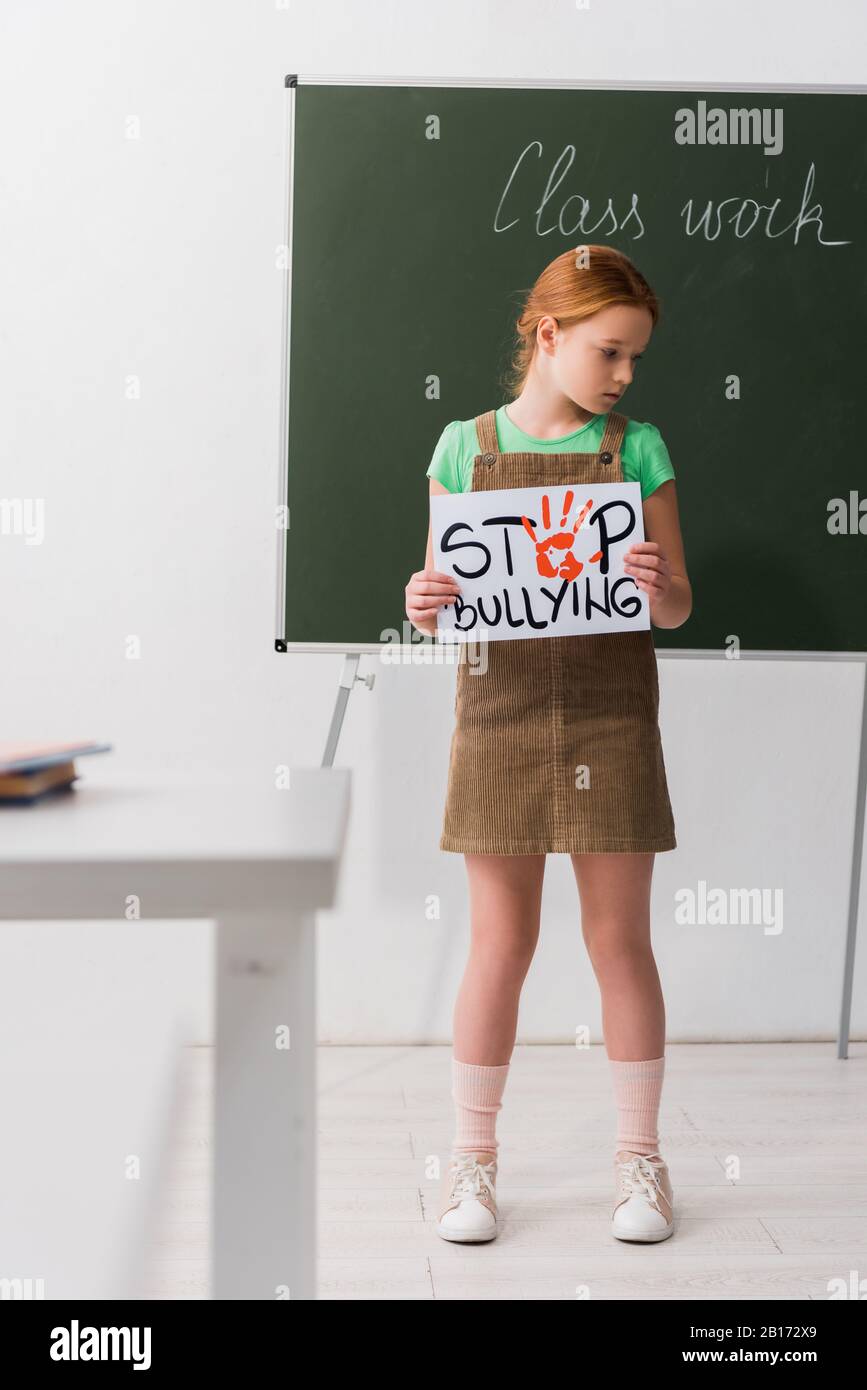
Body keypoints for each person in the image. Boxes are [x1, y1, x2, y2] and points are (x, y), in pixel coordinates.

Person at [404, 245, 691, 1246]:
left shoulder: (639, 446)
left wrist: (658, 585)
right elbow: (445, 606)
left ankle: (641, 1162)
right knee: (501, 944)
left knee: (619, 943)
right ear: (549, 334)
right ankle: (472, 1163)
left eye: (635, 359)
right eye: (610, 352)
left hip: (612, 717)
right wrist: (422, 599)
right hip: (500, 717)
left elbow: (681, 603)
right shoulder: (461, 449)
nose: (622, 375)